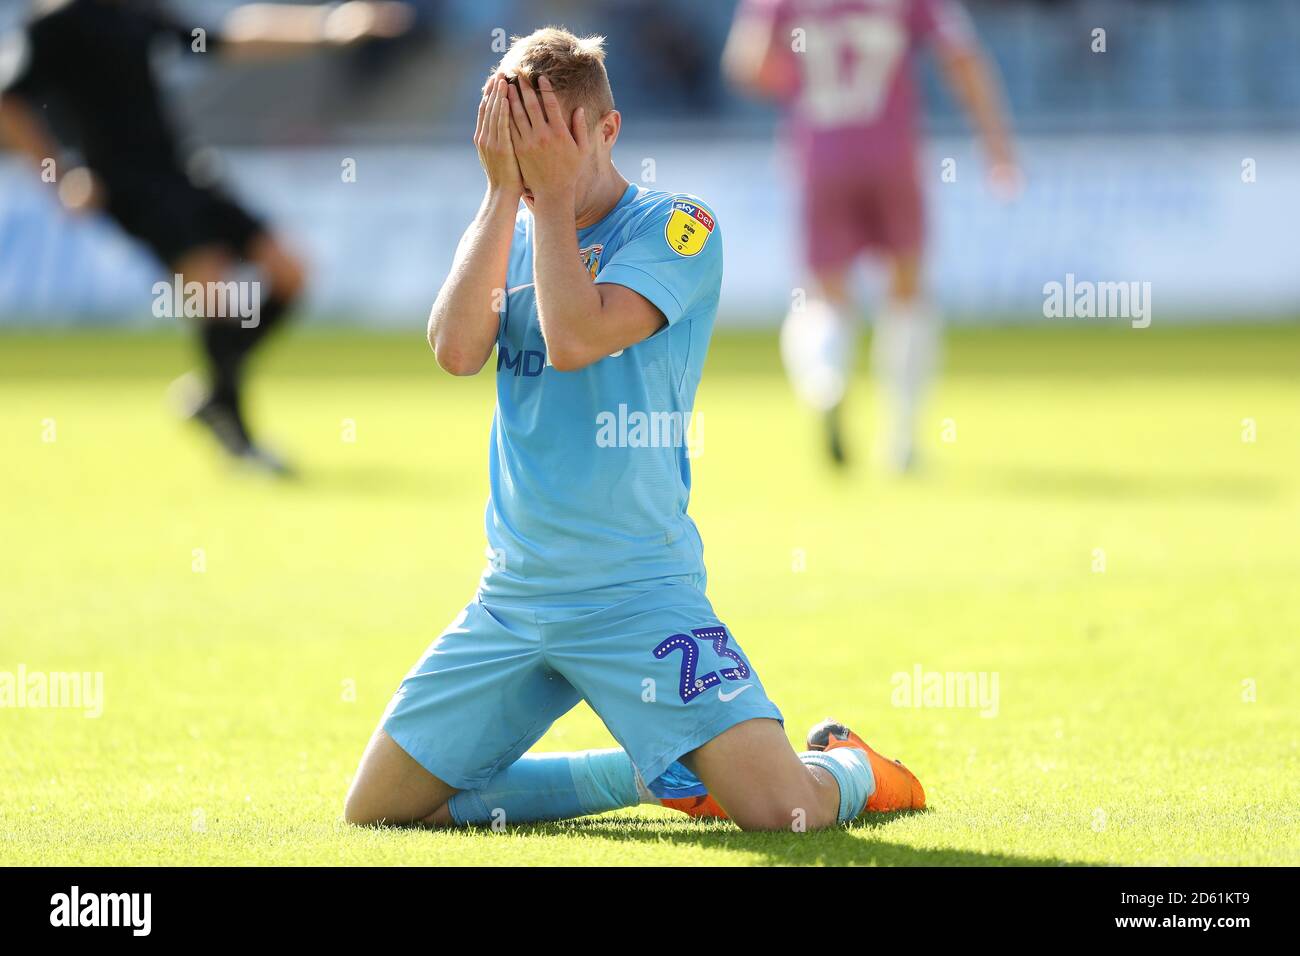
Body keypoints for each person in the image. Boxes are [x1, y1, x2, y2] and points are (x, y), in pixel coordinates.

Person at [343, 27, 925, 831]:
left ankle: (852, 766)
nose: (532, 161)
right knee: (380, 813)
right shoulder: (505, 232)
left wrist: (541, 206)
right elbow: (453, 350)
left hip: (637, 593)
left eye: (550, 141)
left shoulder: (680, 227)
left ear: (607, 132)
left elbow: (576, 337)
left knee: (786, 811)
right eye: (514, 139)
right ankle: (658, 777)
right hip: (513, 597)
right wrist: (499, 197)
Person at [0, 0, 410, 471]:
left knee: (289, 272)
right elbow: (9, 98)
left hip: (183, 171)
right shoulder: (55, 23)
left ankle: (214, 392)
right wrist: (59, 177)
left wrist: (327, 27)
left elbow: (227, 36)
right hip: (129, 187)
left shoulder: (133, 12)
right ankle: (238, 435)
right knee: (214, 293)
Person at [723, 0, 1019, 470]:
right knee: (906, 292)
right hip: (893, 155)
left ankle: (825, 381)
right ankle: (902, 440)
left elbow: (747, 64)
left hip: (820, 155)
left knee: (823, 297)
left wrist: (799, 83)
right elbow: (960, 56)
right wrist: (996, 143)